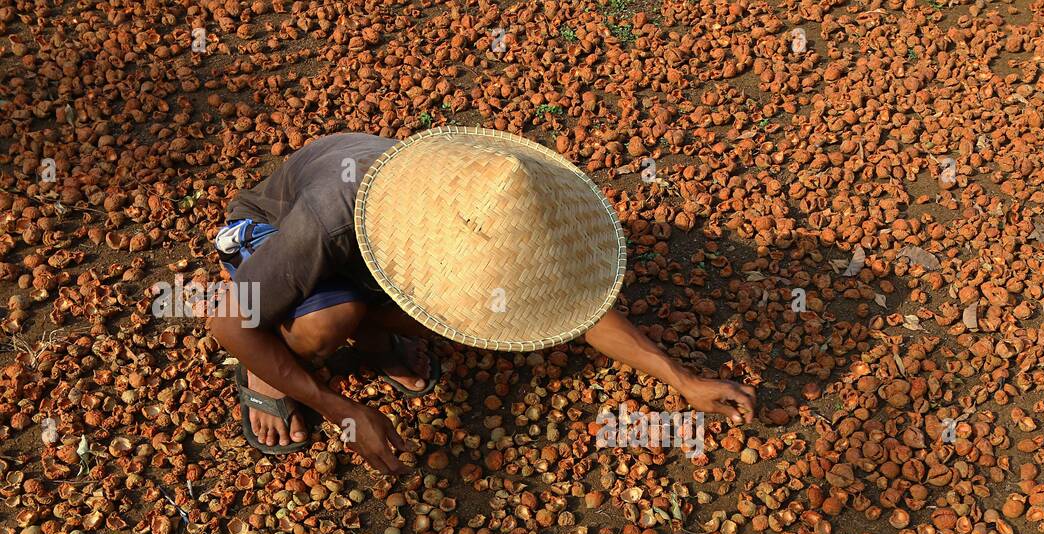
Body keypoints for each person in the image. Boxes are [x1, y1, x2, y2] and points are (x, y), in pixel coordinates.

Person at [208, 129, 757, 474]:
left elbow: (578, 311)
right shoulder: (326, 221)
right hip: (273, 229)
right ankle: (271, 365)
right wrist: (345, 411)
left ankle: (373, 335)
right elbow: (227, 324)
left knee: (464, 316)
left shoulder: (491, 204)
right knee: (327, 321)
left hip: (368, 242)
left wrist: (682, 378)